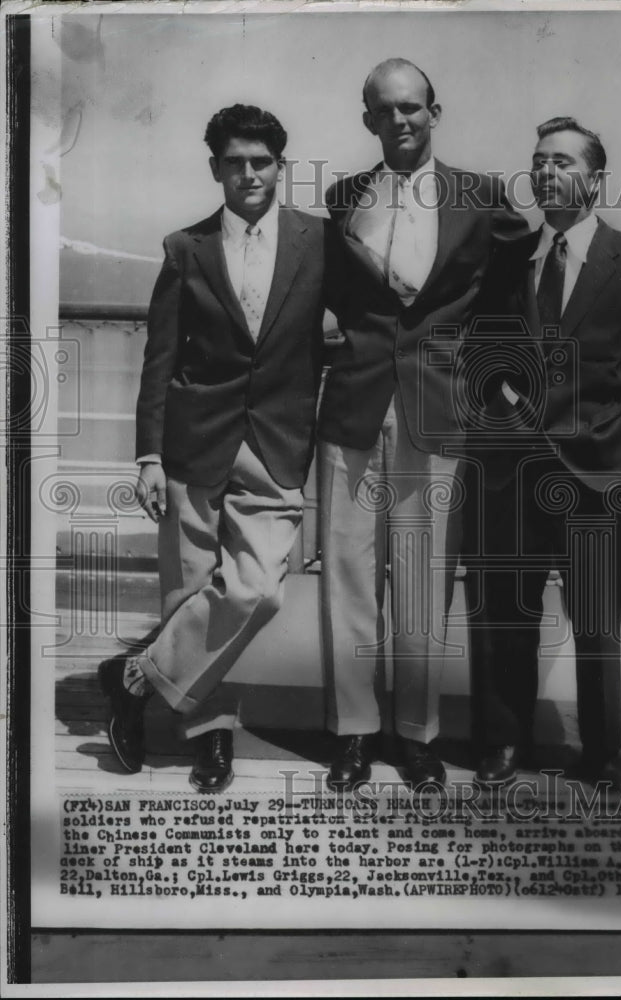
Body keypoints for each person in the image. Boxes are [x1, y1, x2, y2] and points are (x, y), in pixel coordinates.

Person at [99, 104, 341, 792]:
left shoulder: (319, 243)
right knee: (188, 592)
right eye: (234, 162)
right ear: (216, 169)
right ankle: (209, 739)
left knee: (256, 591)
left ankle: (133, 677)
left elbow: (372, 313)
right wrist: (147, 455)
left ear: (280, 167)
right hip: (192, 442)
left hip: (277, 442)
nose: (248, 174)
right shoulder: (185, 248)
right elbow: (159, 358)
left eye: (261, 161)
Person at [319, 58, 528, 789]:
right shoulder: (343, 197)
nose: (401, 120)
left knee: (423, 577)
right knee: (347, 577)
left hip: (438, 408)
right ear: (368, 118)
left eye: (413, 108)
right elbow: (333, 290)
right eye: (386, 109)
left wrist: (495, 370)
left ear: (434, 113)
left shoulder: (482, 197)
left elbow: (514, 285)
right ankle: (351, 732)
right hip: (353, 406)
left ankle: (416, 736)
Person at [464, 116, 621, 788]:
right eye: (538, 161)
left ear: (594, 177)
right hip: (513, 470)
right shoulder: (508, 260)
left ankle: (601, 751)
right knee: (507, 611)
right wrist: (498, 398)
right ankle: (505, 742)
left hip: (598, 471)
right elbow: (478, 351)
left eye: (562, 161)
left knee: (596, 620)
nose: (546, 172)